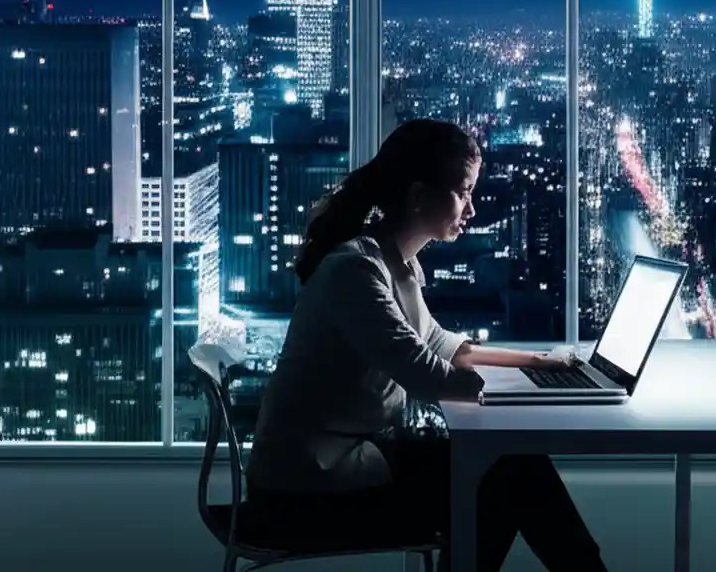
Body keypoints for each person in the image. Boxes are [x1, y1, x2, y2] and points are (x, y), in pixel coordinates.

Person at [245, 119, 609, 572]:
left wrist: (541, 363)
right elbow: (426, 374)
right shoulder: (356, 272)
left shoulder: (397, 264)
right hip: (302, 492)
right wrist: (521, 398)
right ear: (419, 196)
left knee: (509, 473)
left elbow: (443, 345)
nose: (472, 209)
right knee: (511, 474)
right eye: (464, 192)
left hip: (343, 463)